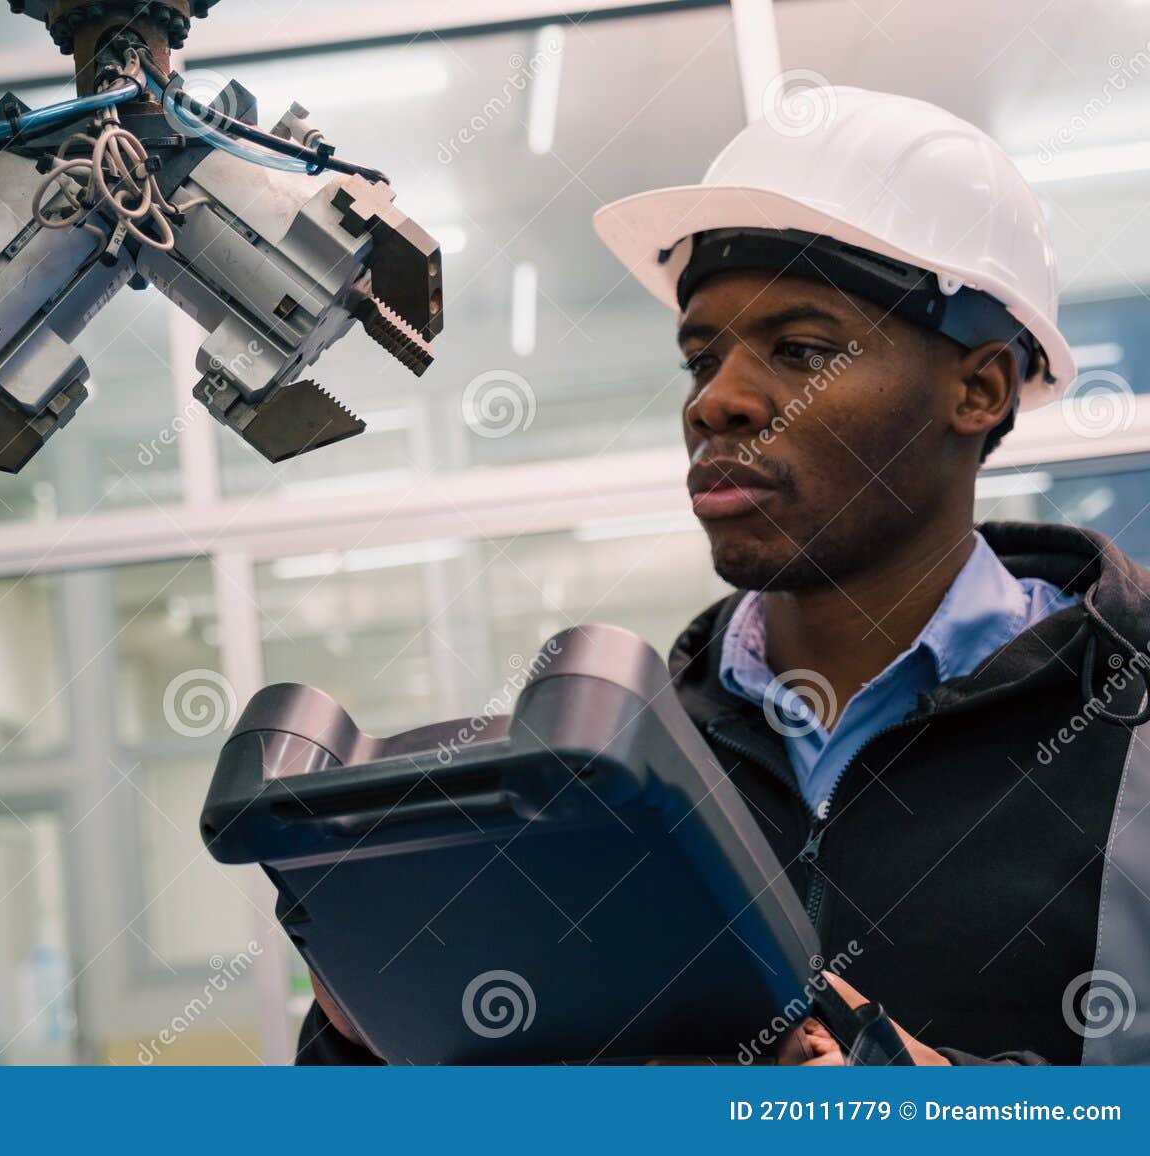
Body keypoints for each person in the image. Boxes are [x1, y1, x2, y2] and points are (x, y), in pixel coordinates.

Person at [296, 87, 1150, 1065]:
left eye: (800, 350)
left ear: (978, 386)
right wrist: (366, 1031)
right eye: (701, 358)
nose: (719, 402)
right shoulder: (623, 776)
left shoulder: (1126, 722)